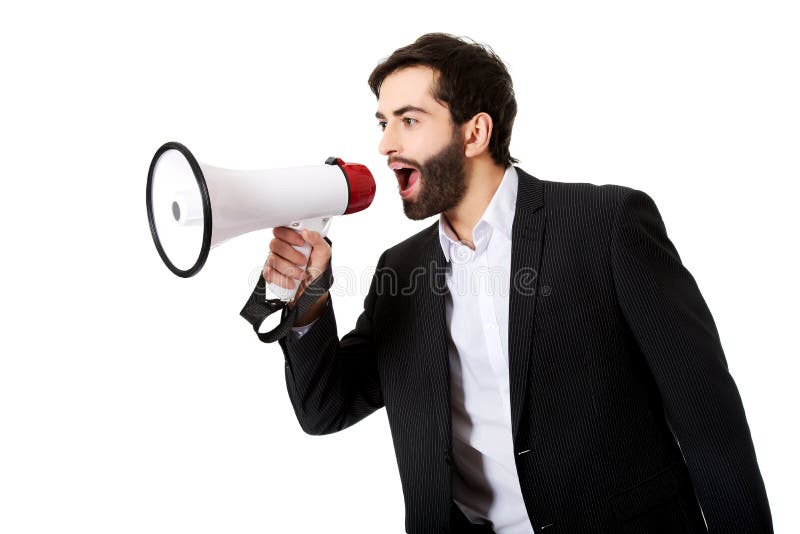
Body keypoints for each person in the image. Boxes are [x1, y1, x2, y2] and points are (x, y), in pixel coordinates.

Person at [259, 33, 772, 533]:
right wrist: (307, 297)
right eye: (383, 122)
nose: (385, 144)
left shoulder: (605, 224)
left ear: (475, 133)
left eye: (409, 120)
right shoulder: (401, 270)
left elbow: (707, 418)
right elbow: (325, 410)